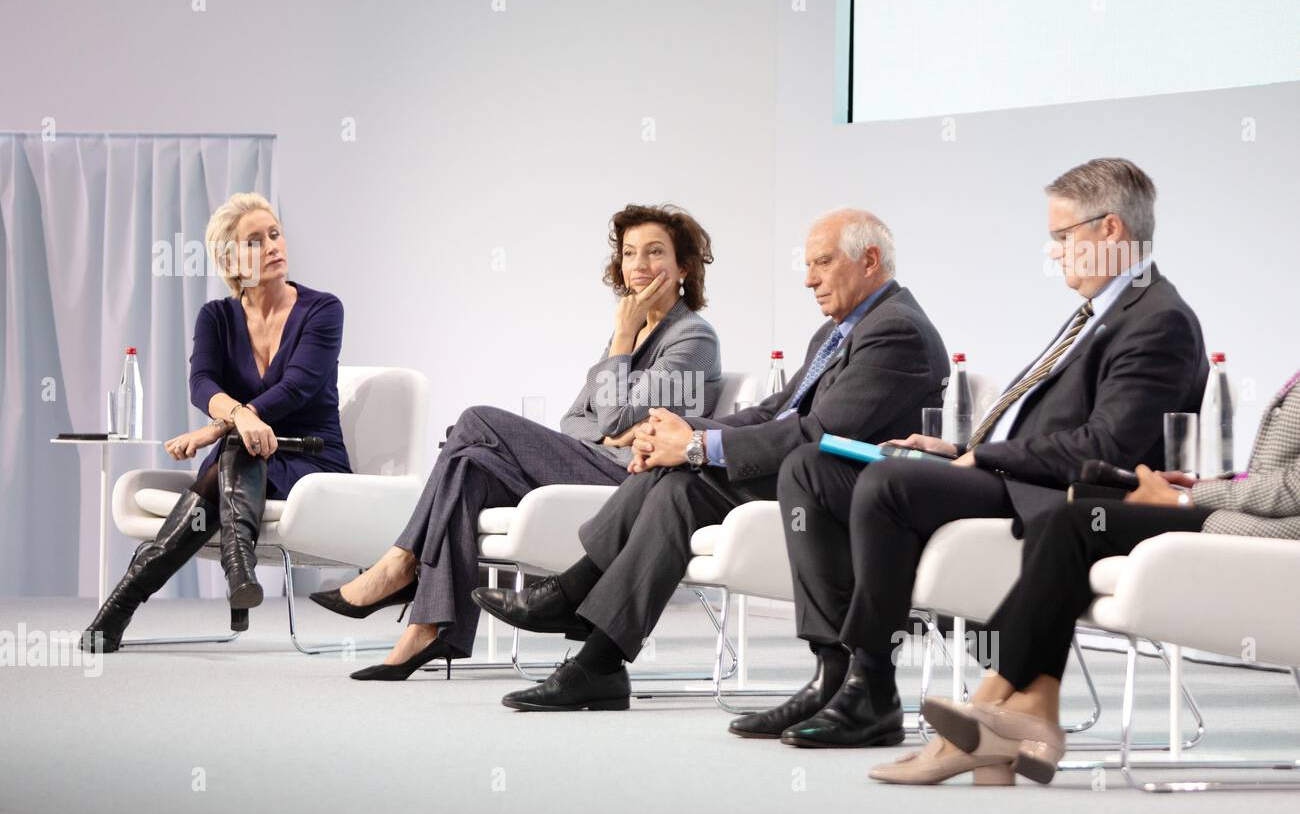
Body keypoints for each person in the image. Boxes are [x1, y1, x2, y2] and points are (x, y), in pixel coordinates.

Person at [734, 157, 1209, 748]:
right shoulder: (1102, 314)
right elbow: (1047, 426)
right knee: (812, 468)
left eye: (1063, 236)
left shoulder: (1158, 320)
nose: (1056, 251)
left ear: (1110, 230)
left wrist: (984, 458)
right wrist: (959, 449)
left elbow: (1107, 446)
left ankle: (872, 686)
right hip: (1008, 475)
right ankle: (835, 670)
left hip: (1053, 497)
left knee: (890, 484)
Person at [474, 208, 949, 711]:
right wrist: (683, 434)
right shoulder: (842, 328)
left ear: (869, 260)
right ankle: (598, 661)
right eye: (808, 264)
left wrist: (694, 446)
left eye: (822, 263)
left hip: (835, 487)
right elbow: (774, 411)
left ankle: (576, 603)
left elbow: (816, 433)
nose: (809, 279)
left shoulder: (895, 331)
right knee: (677, 484)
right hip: (801, 470)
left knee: (680, 473)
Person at [313, 204, 724, 680]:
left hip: (631, 482)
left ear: (683, 267)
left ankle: (400, 563)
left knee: (475, 421)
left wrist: (621, 347)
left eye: (654, 253)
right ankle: (426, 628)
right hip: (598, 459)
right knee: (469, 464)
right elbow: (576, 420)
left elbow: (610, 414)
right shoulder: (632, 334)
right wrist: (616, 428)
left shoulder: (693, 338)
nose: (639, 265)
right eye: (630, 253)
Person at [872, 368, 1300, 784]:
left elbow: (1294, 487)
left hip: (1271, 533)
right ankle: (1034, 707)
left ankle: (987, 710)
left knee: (1075, 524)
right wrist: (1197, 486)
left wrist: (1189, 499)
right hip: (1244, 516)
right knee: (1061, 516)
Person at [82, 193, 351, 651]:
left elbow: (297, 387)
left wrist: (217, 427)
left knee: (231, 450)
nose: (272, 246)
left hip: (308, 456)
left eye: (274, 234)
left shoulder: (323, 309)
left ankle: (121, 606)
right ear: (230, 261)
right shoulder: (216, 316)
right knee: (238, 448)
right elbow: (201, 383)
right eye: (254, 241)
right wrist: (239, 418)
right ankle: (239, 569)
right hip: (243, 460)